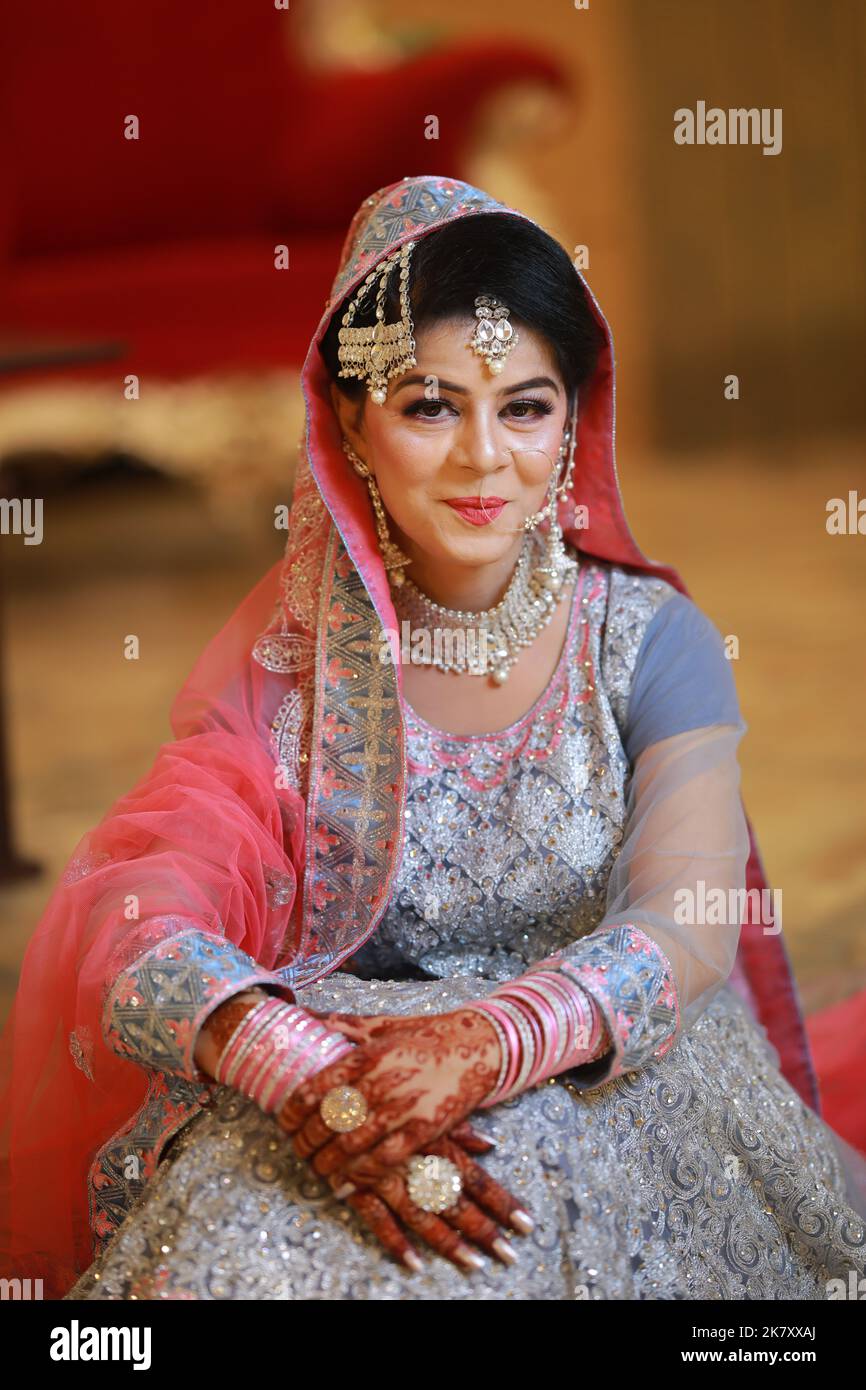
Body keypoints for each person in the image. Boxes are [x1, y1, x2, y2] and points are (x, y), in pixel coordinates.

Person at [2, 175, 864, 1302]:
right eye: (428, 405)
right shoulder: (294, 660)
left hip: (607, 1065)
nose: (482, 460)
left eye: (523, 406)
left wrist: (486, 1045)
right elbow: (144, 907)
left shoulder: (649, 640)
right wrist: (301, 1074)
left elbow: (685, 917)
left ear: (573, 418)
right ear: (349, 420)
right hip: (348, 1097)